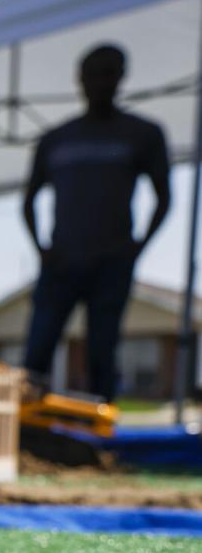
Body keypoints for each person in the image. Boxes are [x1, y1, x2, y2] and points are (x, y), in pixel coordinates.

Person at [21, 44, 171, 402]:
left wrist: (136, 247)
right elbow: (27, 200)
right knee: (37, 350)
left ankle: (98, 438)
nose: (101, 82)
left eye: (109, 73)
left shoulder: (141, 134)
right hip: (61, 261)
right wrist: (42, 249)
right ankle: (26, 427)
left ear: (121, 77)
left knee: (102, 350)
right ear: (80, 80)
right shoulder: (56, 140)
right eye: (94, 74)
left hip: (111, 261)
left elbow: (164, 197)